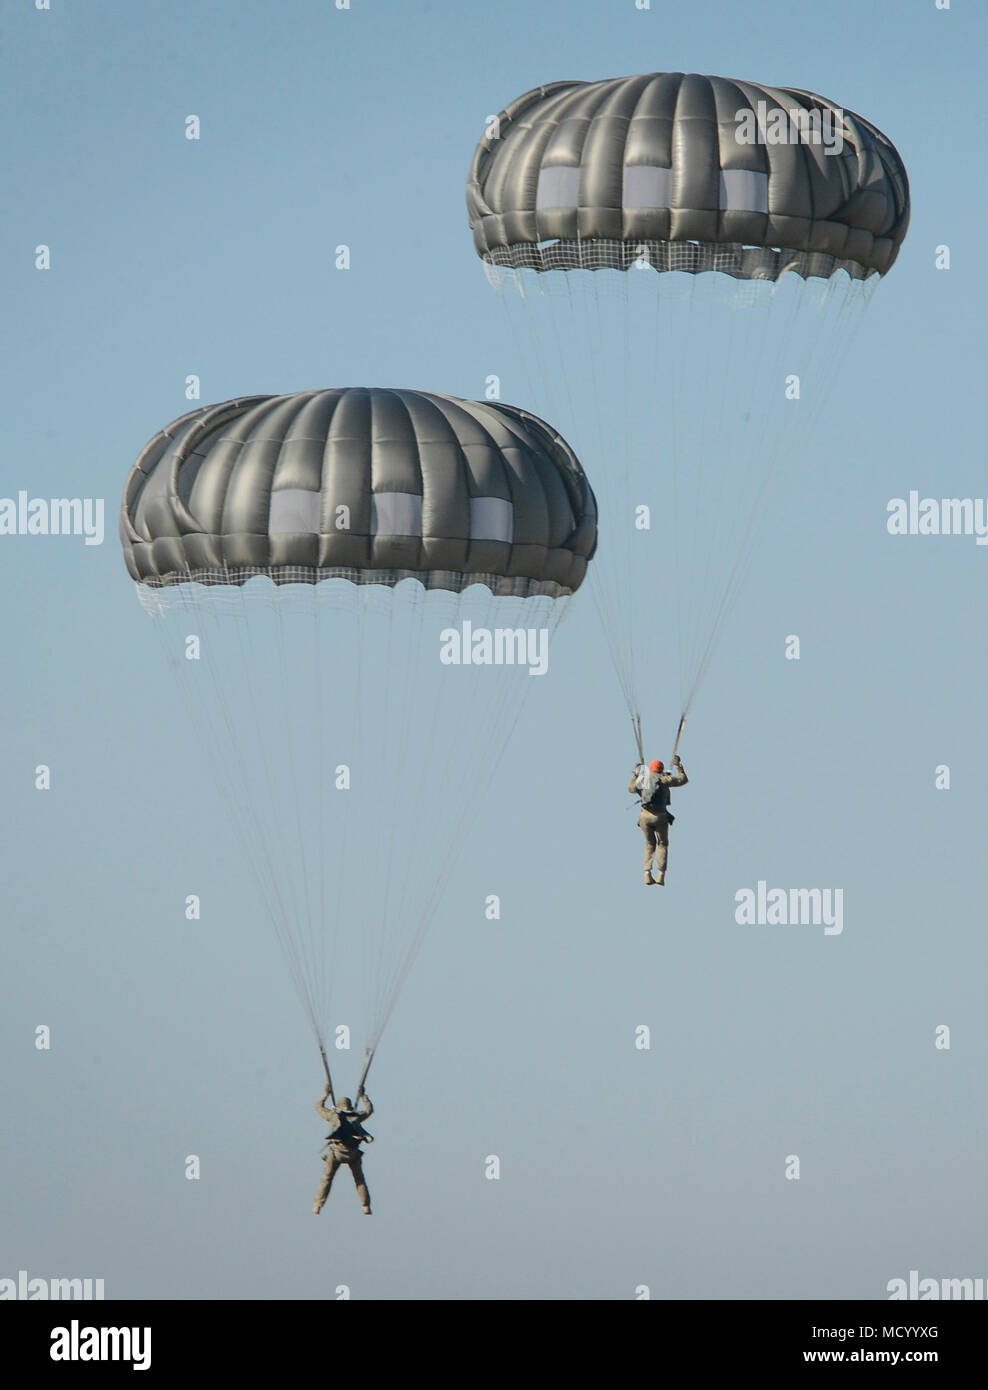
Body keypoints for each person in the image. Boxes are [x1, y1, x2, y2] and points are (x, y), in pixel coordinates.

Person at [313, 1086, 374, 1215]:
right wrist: (363, 1096)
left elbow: (318, 1107)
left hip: (336, 1153)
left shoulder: (333, 1116)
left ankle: (318, 1205)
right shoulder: (356, 1116)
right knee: (360, 1180)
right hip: (353, 1154)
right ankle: (366, 1206)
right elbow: (369, 1110)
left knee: (327, 1178)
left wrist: (326, 1095)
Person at [628, 755, 688, 886]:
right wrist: (679, 767)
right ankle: (661, 875)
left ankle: (647, 874)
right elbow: (683, 780)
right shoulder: (665, 779)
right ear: (661, 770)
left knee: (650, 844)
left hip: (644, 816)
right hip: (660, 816)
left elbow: (631, 789)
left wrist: (636, 775)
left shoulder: (643, 779)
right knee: (662, 843)